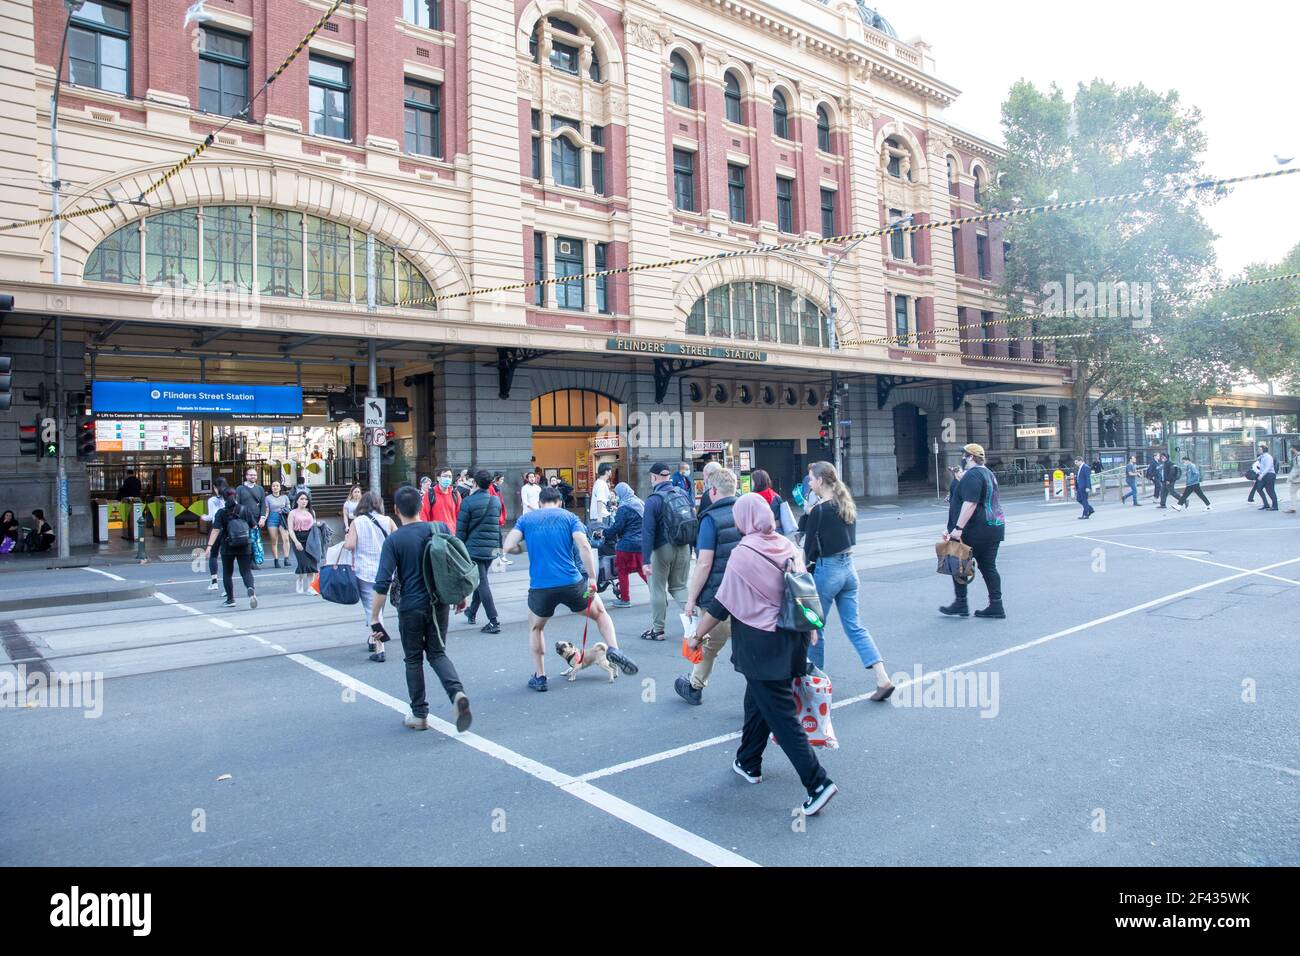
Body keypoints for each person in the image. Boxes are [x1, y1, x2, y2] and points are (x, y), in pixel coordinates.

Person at [689, 493, 838, 816]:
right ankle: (748, 761)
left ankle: (818, 783)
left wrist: (697, 634)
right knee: (757, 700)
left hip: (761, 645)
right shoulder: (785, 545)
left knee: (781, 716)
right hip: (792, 637)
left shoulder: (744, 553)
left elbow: (722, 602)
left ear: (745, 519)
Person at [501, 485, 638, 691]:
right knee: (600, 614)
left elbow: (508, 546)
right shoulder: (569, 518)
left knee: (536, 628)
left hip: (540, 588)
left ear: (540, 503)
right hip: (573, 584)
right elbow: (584, 546)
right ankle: (613, 649)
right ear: (560, 502)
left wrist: (521, 548)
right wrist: (592, 578)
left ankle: (540, 677)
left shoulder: (526, 519)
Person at [369, 485, 472, 733]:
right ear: (420, 507)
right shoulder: (439, 529)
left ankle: (419, 714)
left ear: (396, 510)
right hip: (438, 604)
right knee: (437, 653)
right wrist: (460, 596)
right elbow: (453, 565)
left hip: (410, 607)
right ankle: (456, 693)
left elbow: (382, 583)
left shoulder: (394, 540)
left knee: (413, 659)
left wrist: (374, 618)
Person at [803, 461, 893, 699]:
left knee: (815, 627)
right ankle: (882, 677)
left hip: (827, 570)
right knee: (855, 626)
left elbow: (809, 547)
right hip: (849, 569)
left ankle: (815, 684)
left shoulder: (820, 510)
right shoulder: (846, 503)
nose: (810, 483)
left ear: (820, 481)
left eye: (811, 479)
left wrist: (808, 515)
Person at [675, 467, 741, 705]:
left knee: (711, 642)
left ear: (712, 491)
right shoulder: (745, 511)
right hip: (747, 593)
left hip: (718, 595)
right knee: (752, 644)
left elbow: (704, 563)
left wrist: (691, 599)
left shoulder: (710, 519)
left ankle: (695, 685)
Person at [939, 443, 1006, 619]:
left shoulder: (973, 475)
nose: (962, 459)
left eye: (964, 455)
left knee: (956, 561)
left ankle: (961, 603)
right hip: (993, 527)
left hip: (975, 529)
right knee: (988, 566)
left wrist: (957, 529)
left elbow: (971, 503)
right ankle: (996, 605)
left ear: (970, 457)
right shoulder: (988, 473)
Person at [639, 461, 696, 642]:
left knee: (657, 589)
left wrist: (646, 559)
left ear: (654, 477)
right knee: (679, 587)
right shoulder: (682, 493)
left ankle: (658, 630)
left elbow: (647, 532)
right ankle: (697, 619)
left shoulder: (653, 500)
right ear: (669, 476)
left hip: (662, 550)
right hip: (684, 547)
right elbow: (693, 520)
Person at [344, 490, 397, 662]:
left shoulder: (357, 522)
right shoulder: (387, 520)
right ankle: (373, 637)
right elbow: (398, 540)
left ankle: (380, 647)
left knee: (371, 609)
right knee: (378, 607)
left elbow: (350, 545)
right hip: (385, 570)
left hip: (364, 571)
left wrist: (346, 541)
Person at [457, 470, 504, 634]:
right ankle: (472, 612)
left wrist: (458, 550)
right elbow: (497, 526)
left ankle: (493, 620)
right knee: (480, 580)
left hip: (474, 549)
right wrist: (500, 548)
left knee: (482, 582)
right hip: (491, 548)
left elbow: (461, 530)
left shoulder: (468, 502)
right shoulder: (495, 501)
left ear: (475, 483)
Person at [204, 488, 259, 610]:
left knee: (227, 573)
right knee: (246, 571)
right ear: (236, 496)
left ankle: (230, 599)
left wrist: (209, 546)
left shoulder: (221, 512)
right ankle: (251, 590)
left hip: (227, 545)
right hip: (245, 545)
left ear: (223, 498)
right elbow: (254, 526)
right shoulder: (245, 510)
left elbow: (216, 530)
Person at [604, 481, 647, 608]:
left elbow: (617, 527)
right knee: (642, 570)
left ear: (621, 493)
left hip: (626, 545)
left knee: (622, 571)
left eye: (616, 493)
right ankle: (658, 594)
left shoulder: (624, 508)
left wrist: (605, 533)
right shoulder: (639, 503)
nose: (616, 496)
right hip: (642, 544)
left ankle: (625, 599)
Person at [286, 491, 322, 594]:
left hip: (311, 539)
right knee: (304, 563)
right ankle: (300, 579)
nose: (304, 501)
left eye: (306, 499)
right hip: (298, 537)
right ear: (297, 500)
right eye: (301, 499)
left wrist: (318, 525)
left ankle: (311, 587)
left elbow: (313, 524)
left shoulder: (311, 512)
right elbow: (290, 529)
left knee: (312, 563)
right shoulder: (292, 513)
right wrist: (296, 542)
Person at [235, 467, 268, 567]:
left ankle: (254, 560)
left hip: (257, 519)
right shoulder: (240, 489)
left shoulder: (260, 489)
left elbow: (263, 504)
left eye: (254, 475)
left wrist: (263, 518)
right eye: (250, 475)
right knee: (246, 540)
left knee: (255, 540)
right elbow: (237, 504)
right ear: (246, 476)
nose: (253, 477)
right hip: (244, 519)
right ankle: (247, 561)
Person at [751, 468, 797, 536]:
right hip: (776, 532)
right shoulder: (776, 496)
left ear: (757, 482)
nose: (751, 483)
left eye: (752, 481)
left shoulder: (752, 499)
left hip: (758, 534)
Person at [204, 478, 230, 589]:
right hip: (228, 528)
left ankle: (214, 581)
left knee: (213, 554)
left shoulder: (212, 500)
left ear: (215, 488)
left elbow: (211, 516)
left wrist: (203, 517)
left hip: (216, 528)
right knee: (226, 556)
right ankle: (227, 584)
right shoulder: (231, 498)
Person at [261, 480, 291, 568]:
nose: (275, 487)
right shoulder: (268, 498)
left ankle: (286, 558)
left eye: (277, 486)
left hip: (283, 518)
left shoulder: (285, 497)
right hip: (272, 518)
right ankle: (276, 560)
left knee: (286, 539)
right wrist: (263, 520)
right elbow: (267, 510)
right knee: (274, 540)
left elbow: (289, 508)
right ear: (271, 487)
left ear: (280, 487)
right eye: (273, 486)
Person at [589, 462, 615, 526]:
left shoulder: (600, 483)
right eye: (610, 470)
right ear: (607, 472)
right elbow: (599, 500)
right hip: (602, 517)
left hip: (601, 516)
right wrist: (599, 517)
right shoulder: (601, 484)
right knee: (602, 535)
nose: (611, 472)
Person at [1255, 444, 1279, 511]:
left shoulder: (1268, 457)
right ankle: (1266, 504)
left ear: (1264, 450)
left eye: (1260, 449)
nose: (1258, 450)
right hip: (1264, 475)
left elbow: (1268, 467)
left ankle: (1275, 506)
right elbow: (1261, 466)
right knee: (1259, 488)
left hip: (1269, 475)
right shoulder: (1262, 457)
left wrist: (1261, 475)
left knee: (1270, 490)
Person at [1287, 443, 1300, 514]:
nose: (1291, 449)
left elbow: (1298, 468)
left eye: (1292, 448)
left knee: (1292, 492)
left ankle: (1293, 508)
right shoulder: (1296, 456)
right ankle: (1292, 508)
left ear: (1295, 449)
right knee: (1292, 492)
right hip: (1297, 479)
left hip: (1297, 479)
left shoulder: (1298, 457)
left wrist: (1294, 476)